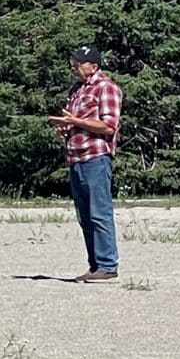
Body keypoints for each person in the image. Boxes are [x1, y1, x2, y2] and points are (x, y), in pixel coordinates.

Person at [49, 45, 123, 282]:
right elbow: (75, 122)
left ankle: (108, 265)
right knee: (84, 216)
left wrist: (77, 121)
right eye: (73, 62)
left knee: (99, 213)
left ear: (94, 66)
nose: (74, 67)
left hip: (96, 157)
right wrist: (64, 128)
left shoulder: (106, 88)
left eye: (79, 63)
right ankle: (95, 266)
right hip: (75, 157)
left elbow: (109, 126)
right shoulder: (76, 90)